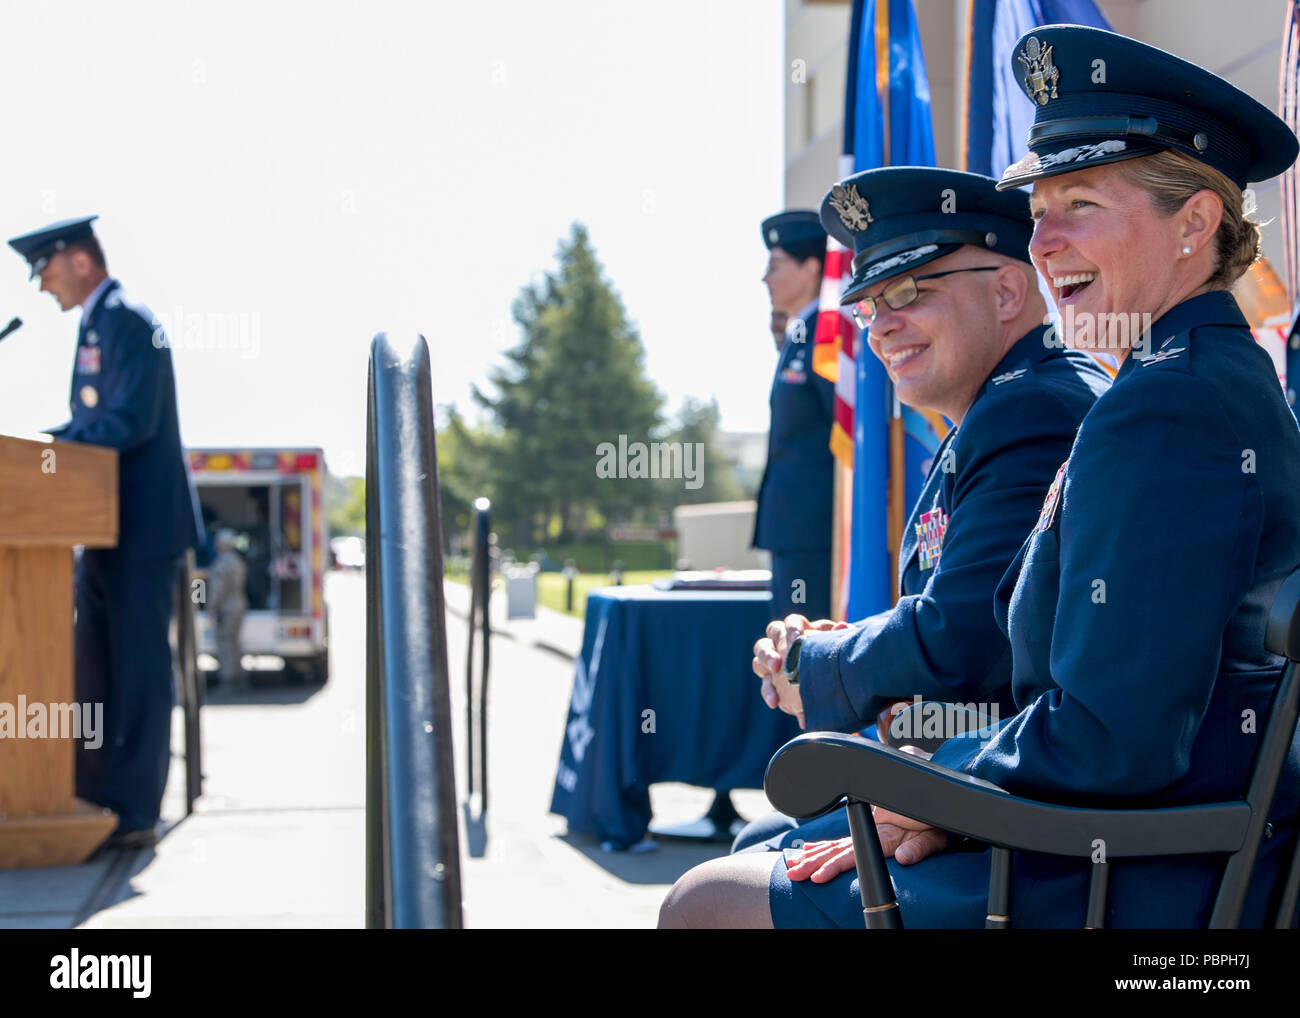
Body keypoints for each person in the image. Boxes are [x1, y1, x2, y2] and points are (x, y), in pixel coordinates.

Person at [660, 25, 1300, 928]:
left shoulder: (1171, 406)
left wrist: (931, 791)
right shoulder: (1182, 381)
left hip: (1139, 878)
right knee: (748, 871)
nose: (1044, 242)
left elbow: (1112, 738)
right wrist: (935, 791)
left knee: (707, 901)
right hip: (1133, 840)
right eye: (1038, 211)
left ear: (1194, 222)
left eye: (1080, 201)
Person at [731, 168, 1110, 853]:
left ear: (1006, 290)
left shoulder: (1030, 412)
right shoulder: (999, 409)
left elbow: (966, 637)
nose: (881, 328)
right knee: (756, 846)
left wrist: (817, 663)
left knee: (717, 889)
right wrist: (839, 642)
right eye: (869, 306)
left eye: (908, 290)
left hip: (1032, 812)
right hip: (989, 779)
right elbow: (975, 612)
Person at [8, 215, 202, 850]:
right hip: (101, 528)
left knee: (139, 671)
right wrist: (54, 442)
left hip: (140, 529)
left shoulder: (127, 320)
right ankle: (97, 793)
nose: (41, 285)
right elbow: (94, 423)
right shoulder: (99, 323)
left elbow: (127, 424)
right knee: (96, 669)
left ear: (81, 261)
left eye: (45, 269)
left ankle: (136, 808)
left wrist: (51, 446)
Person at [753, 211, 836, 622]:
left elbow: (843, 433)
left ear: (811, 267)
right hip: (794, 529)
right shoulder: (801, 334)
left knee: (804, 655)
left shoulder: (827, 334)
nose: (765, 280)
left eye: (775, 266)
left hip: (815, 531)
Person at [207, 528, 248, 689]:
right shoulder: (238, 561)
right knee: (234, 643)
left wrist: (210, 608)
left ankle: (228, 681)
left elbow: (217, 589)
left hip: (227, 608)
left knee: (225, 643)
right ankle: (240, 678)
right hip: (239, 605)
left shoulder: (222, 563)